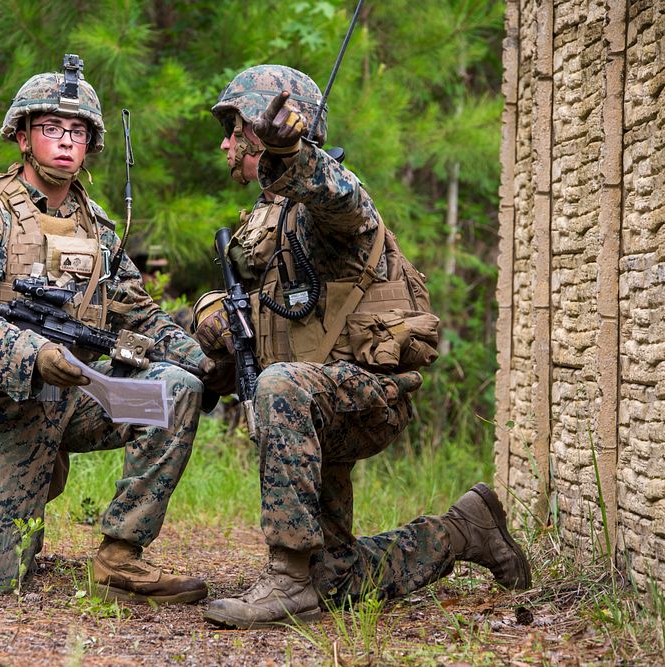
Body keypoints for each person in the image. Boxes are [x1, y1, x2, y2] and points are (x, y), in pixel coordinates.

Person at [193, 65, 531, 628]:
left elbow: (341, 199)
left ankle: (287, 576)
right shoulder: (267, 219)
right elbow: (274, 319)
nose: (226, 144)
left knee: (281, 386)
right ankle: (464, 530)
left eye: (235, 129)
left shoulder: (330, 203)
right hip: (316, 401)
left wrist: (291, 152)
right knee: (340, 578)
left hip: (366, 396)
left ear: (265, 132)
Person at [0, 57, 211, 603]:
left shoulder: (95, 225)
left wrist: (201, 360)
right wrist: (32, 354)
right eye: (51, 129)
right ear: (24, 137)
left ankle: (120, 558)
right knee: (0, 582)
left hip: (74, 398)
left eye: (76, 132)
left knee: (176, 392)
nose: (65, 142)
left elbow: (136, 312)